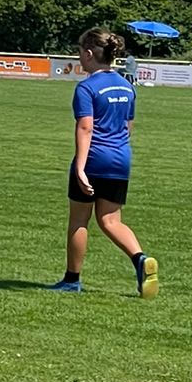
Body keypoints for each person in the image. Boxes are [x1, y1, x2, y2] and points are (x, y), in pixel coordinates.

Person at [50, 27, 157, 297]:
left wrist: (81, 168)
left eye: (79, 53)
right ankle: (140, 259)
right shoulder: (127, 86)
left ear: (88, 54)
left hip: (95, 159)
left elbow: (86, 128)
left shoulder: (86, 87)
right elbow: (128, 126)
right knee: (110, 220)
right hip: (121, 159)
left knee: (79, 220)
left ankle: (72, 280)